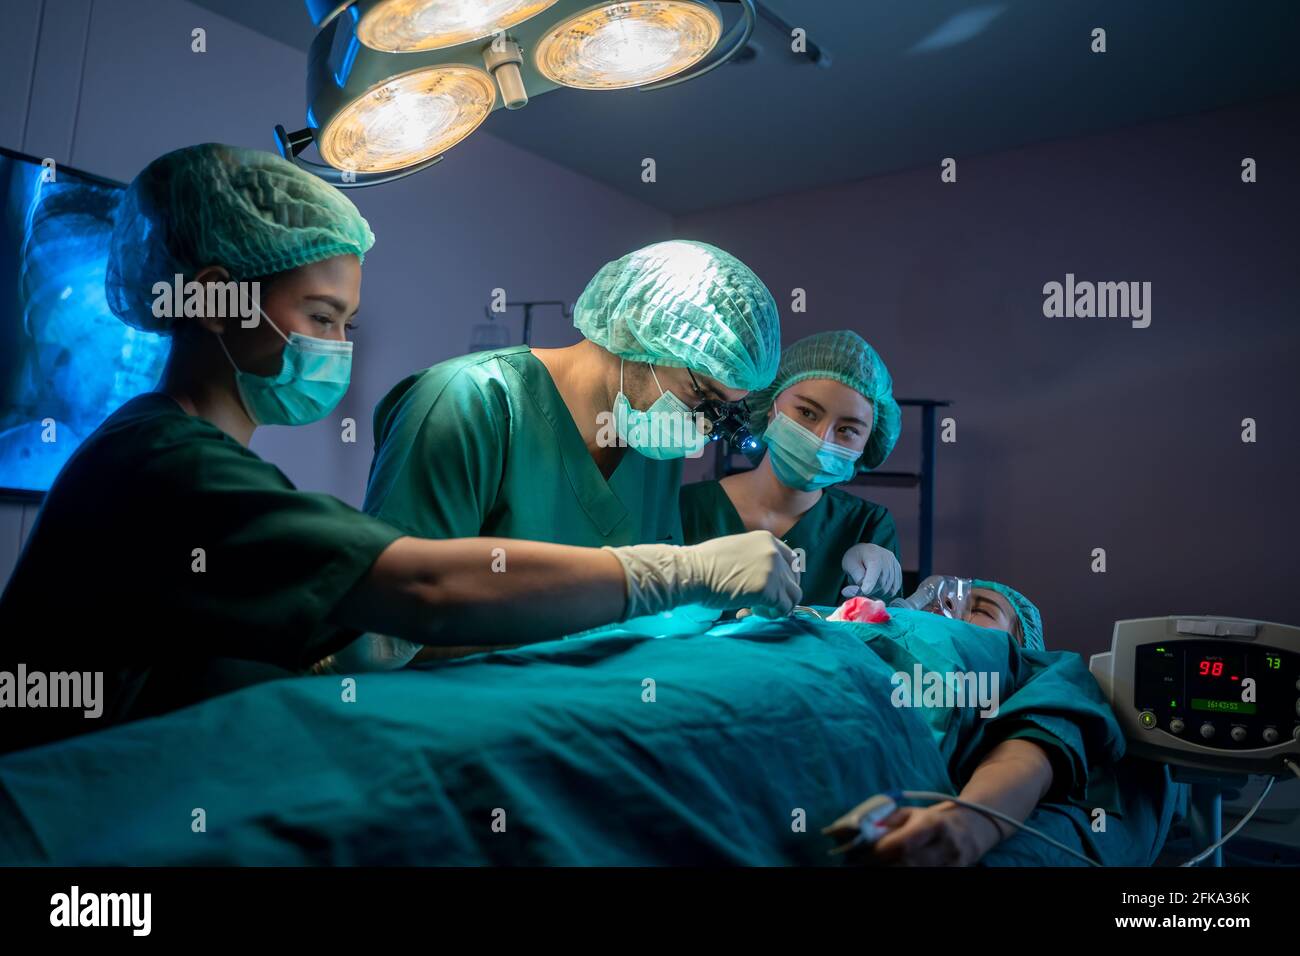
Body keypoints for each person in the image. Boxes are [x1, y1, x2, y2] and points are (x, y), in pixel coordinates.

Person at [0, 145, 799, 754]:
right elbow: (422, 588)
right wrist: (673, 573)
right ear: (213, 298)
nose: (339, 348)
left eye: (347, 322)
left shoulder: (196, 457)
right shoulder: (166, 463)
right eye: (321, 317)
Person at [362, 239, 781, 549]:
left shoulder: (652, 444)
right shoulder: (464, 404)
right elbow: (396, 607)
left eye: (722, 411)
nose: (701, 428)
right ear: (637, 329)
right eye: (701, 393)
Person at [680, 330, 902, 606]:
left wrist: (877, 599)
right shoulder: (688, 509)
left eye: (847, 430)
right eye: (807, 412)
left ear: (868, 444)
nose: (821, 441)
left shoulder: (866, 526)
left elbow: (883, 628)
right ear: (770, 405)